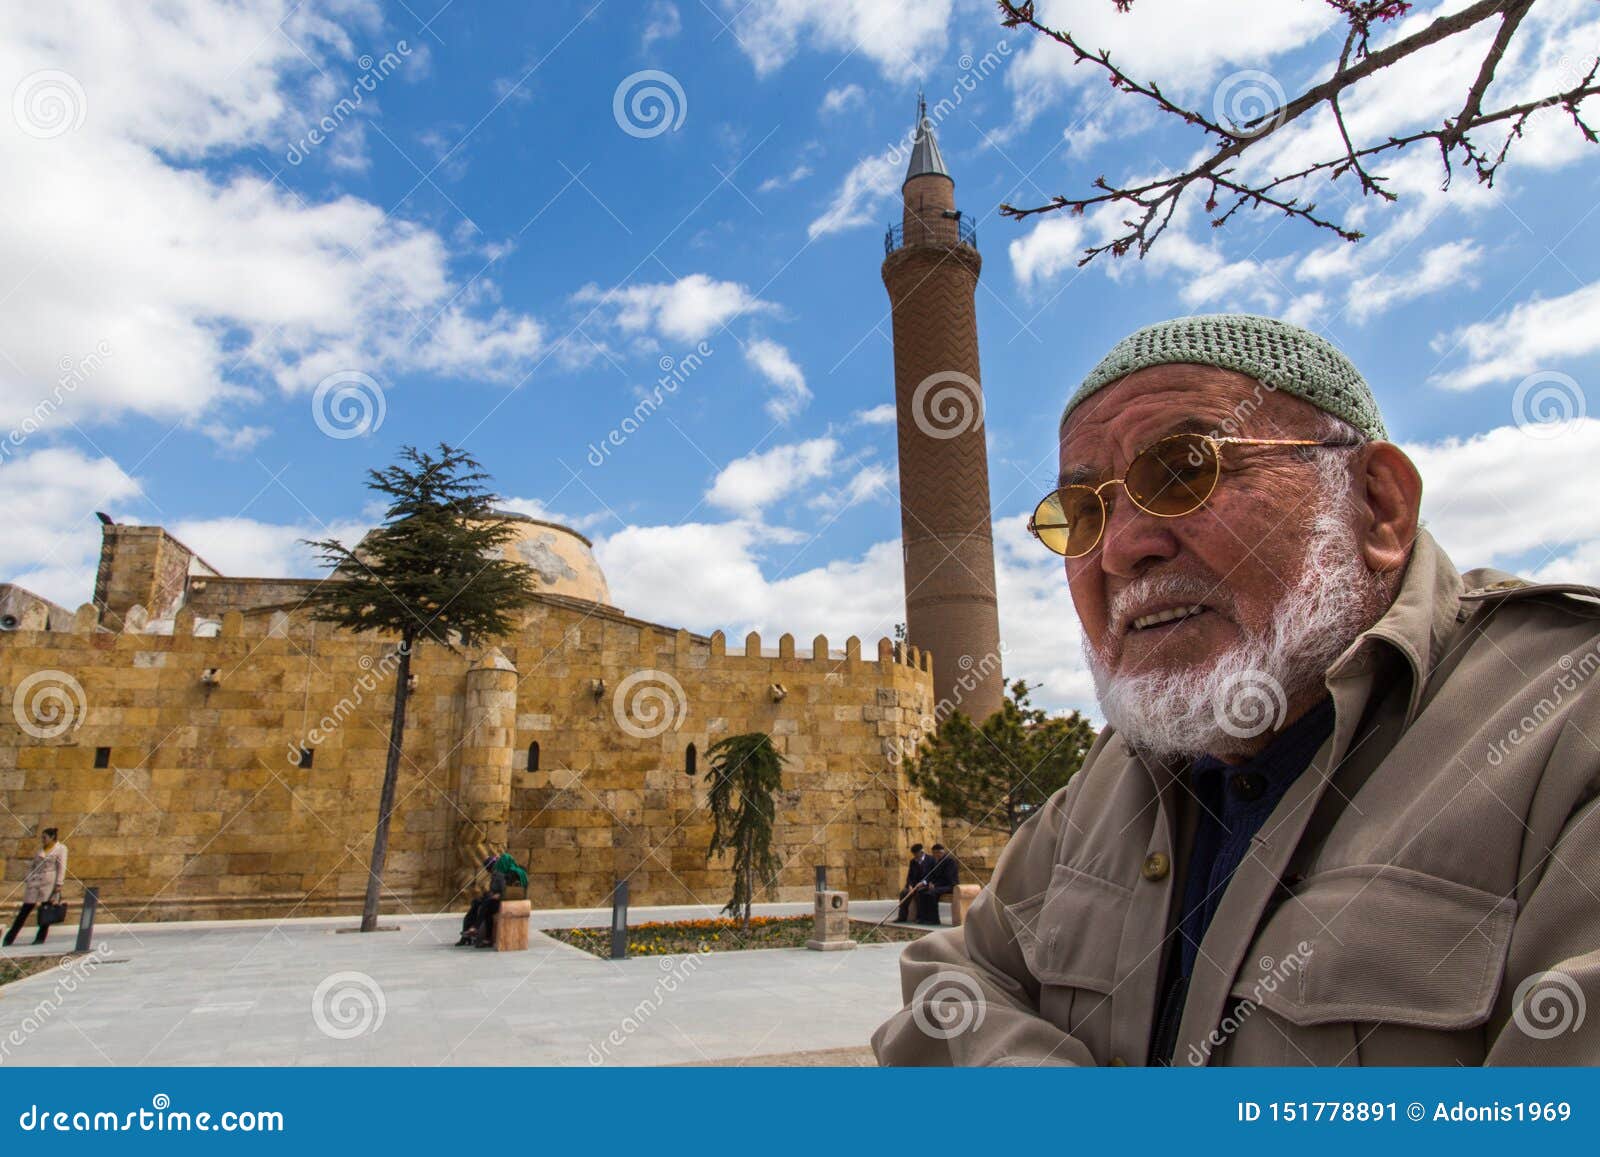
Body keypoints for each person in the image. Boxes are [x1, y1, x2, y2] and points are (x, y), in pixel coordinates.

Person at [874, 314, 1600, 1067]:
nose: (1122, 547)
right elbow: (956, 973)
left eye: (1187, 471)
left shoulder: (1566, 726)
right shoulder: (1114, 780)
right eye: (1083, 513)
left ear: (1379, 507)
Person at [5, 828, 67, 947]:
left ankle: (40, 937)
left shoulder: (60, 849)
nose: (43, 840)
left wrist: (59, 883)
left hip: (49, 883)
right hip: (35, 883)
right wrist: (29, 878)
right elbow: (33, 866)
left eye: (45, 837)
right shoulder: (41, 849)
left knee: (45, 911)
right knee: (24, 910)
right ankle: (9, 938)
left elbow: (62, 866)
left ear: (52, 837)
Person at [456, 855, 506, 948]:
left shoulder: (500, 875)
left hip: (499, 902)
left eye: (488, 867)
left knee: (486, 905)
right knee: (475, 904)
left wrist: (496, 896)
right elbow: (493, 890)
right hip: (492, 901)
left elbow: (504, 891)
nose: (488, 870)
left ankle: (475, 928)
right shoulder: (495, 875)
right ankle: (466, 937)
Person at [913, 845, 959, 925]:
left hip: (949, 885)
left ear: (941, 852)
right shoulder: (935, 861)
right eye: (933, 853)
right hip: (937, 885)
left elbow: (947, 877)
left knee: (931, 893)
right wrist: (927, 882)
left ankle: (934, 919)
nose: (935, 855)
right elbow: (930, 875)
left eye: (937, 853)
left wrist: (935, 884)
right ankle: (923, 917)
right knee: (921, 892)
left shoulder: (950, 861)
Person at [897, 843, 933, 922]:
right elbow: (910, 876)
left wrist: (924, 882)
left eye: (916, 854)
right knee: (904, 892)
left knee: (919, 893)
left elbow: (932, 875)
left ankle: (920, 917)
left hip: (925, 885)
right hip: (914, 885)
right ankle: (902, 917)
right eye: (914, 854)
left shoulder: (931, 860)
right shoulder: (913, 862)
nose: (915, 856)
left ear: (921, 852)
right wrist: (910, 885)